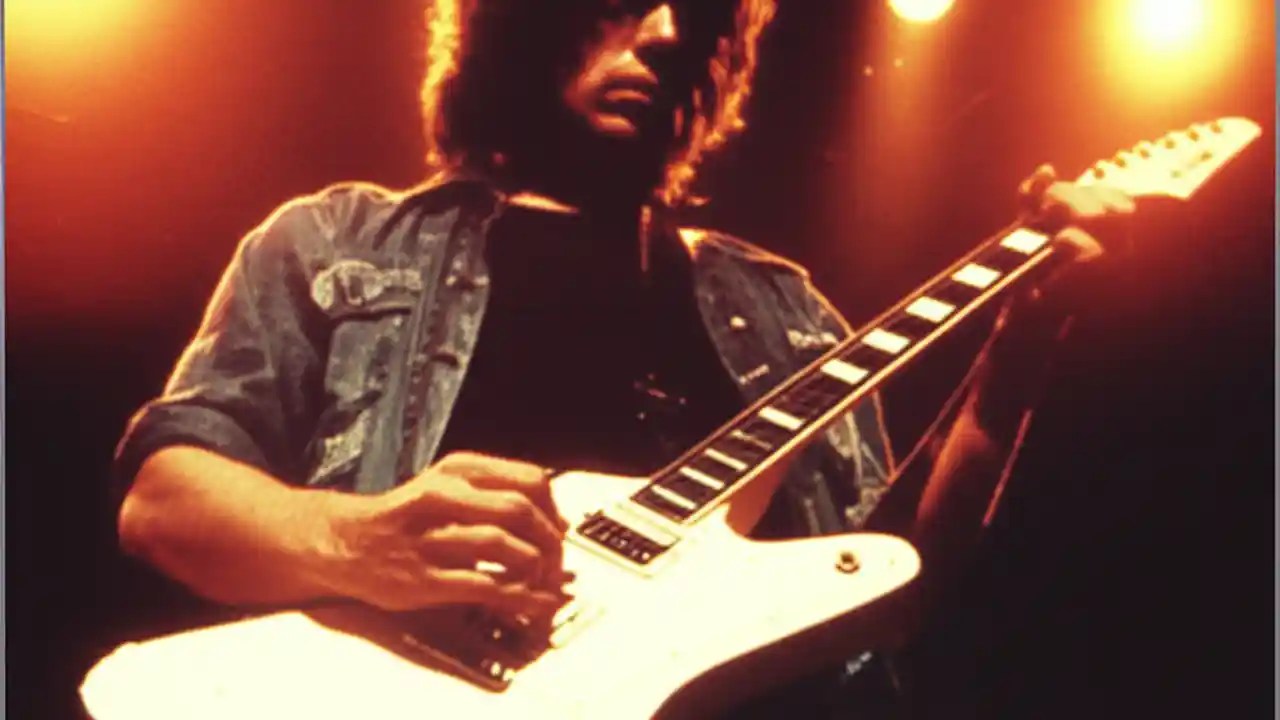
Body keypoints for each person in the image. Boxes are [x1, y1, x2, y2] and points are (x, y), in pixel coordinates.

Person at [113, 0, 1132, 716]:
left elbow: (887, 580)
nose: (667, 33)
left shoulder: (779, 306)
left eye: (695, 11)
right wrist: (358, 543)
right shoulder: (335, 240)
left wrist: (1019, 348)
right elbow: (166, 505)